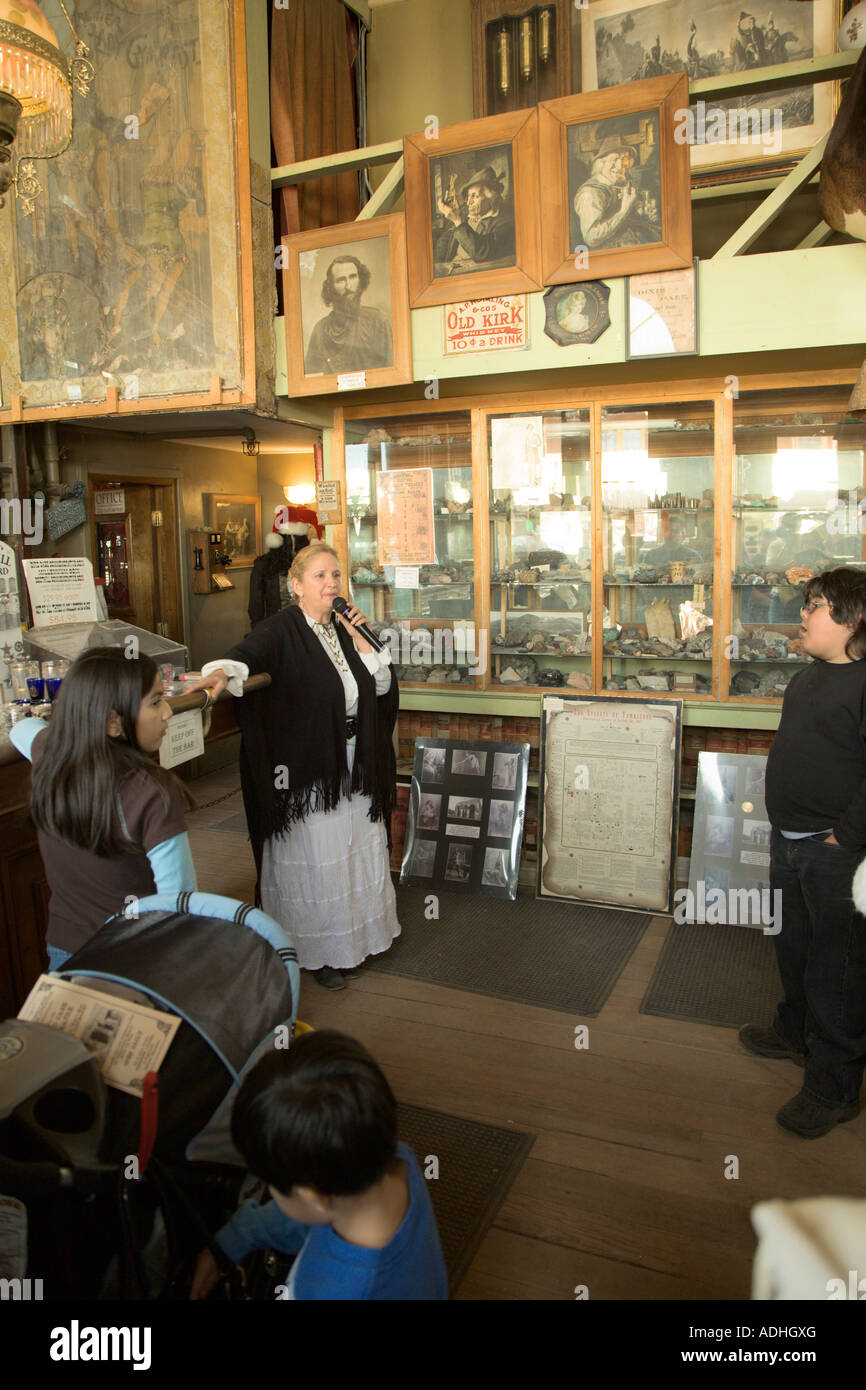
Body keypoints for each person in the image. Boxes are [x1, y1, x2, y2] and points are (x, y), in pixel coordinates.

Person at [192, 542, 400, 991]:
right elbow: (244, 654)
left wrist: (365, 639)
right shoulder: (281, 628)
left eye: (336, 575)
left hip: (353, 759)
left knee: (352, 847)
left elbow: (381, 687)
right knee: (318, 855)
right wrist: (219, 674)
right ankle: (316, 950)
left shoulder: (345, 629)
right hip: (310, 768)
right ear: (296, 585)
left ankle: (358, 938)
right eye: (320, 576)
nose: (331, 584)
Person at [739, 568, 866, 1138]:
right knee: (792, 946)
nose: (803, 615)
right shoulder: (808, 677)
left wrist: (845, 837)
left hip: (834, 850)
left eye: (814, 606)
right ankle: (793, 1032)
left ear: (852, 619)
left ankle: (832, 1087)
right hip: (788, 839)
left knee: (836, 970)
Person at [189, 1030, 447, 1301]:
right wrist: (238, 1238)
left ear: (313, 1197)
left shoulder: (331, 1290)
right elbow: (308, 1214)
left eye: (273, 1186)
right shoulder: (395, 1160)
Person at [10, 647, 196, 971]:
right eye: (155, 701)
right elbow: (179, 901)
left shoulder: (50, 756)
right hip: (136, 958)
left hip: (66, 952)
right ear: (113, 722)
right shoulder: (151, 792)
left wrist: (76, 730)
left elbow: (19, 730)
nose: (167, 712)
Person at [304, 256, 393, 376]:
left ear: (361, 280)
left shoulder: (378, 321)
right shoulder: (320, 330)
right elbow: (312, 380)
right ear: (330, 287)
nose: (349, 287)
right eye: (341, 280)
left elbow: (391, 375)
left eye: (353, 277)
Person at [573, 139, 660, 252]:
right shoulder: (590, 194)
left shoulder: (617, 185)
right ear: (601, 163)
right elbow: (592, 238)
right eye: (614, 160)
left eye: (625, 158)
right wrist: (624, 211)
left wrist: (641, 213)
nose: (620, 166)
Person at [434, 164, 516, 273]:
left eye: (475, 196)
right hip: (451, 272)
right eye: (468, 196)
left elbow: (481, 253)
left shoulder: (505, 221)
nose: (468, 202)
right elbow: (443, 243)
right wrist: (437, 270)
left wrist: (458, 222)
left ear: (491, 197)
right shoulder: (464, 212)